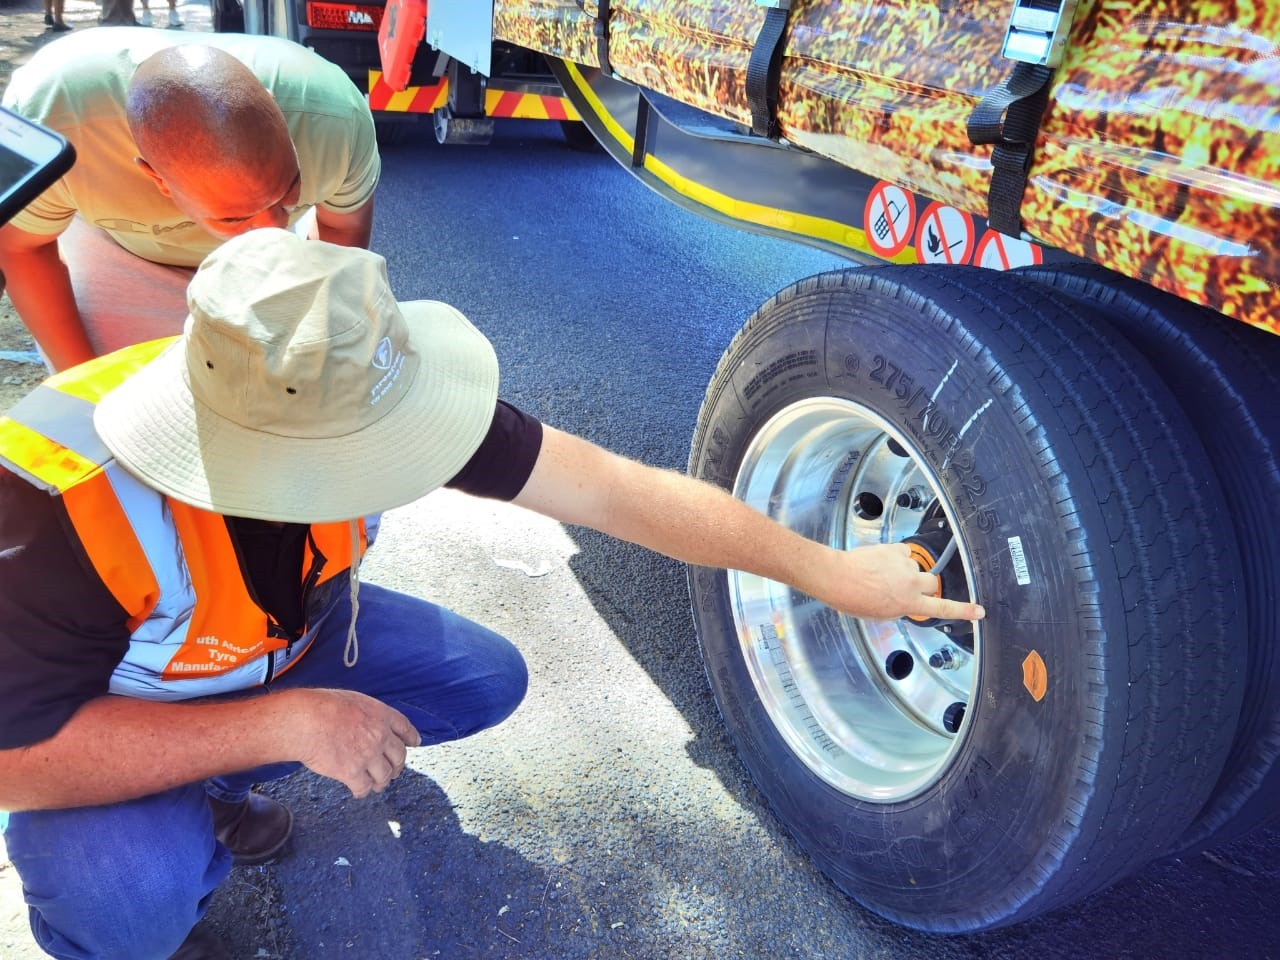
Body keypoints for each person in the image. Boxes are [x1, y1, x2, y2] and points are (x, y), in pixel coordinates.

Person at [0, 229, 984, 960]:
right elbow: (11, 765)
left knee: (480, 681)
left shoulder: (353, 385)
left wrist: (831, 572)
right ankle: (171, 860)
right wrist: (284, 726)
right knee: (127, 901)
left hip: (282, 642)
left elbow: (618, 494)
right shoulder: (49, 504)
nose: (402, 470)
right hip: (103, 714)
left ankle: (208, 788)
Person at [0, 27, 379, 373]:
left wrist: (314, 332)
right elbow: (22, 250)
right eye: (234, 218)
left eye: (288, 192)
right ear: (156, 178)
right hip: (118, 252)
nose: (272, 232)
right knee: (121, 395)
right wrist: (84, 380)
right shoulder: (53, 121)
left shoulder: (336, 121)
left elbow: (342, 229)